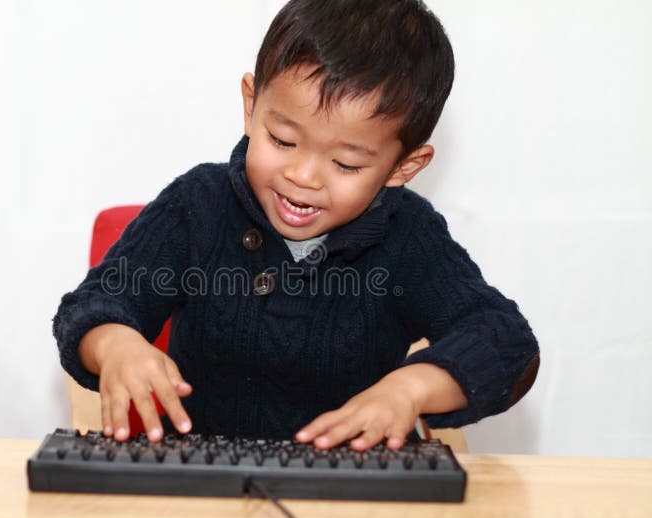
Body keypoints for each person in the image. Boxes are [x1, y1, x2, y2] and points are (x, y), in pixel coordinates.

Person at [53, 0, 540, 452]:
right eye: (283, 140)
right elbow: (94, 305)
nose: (302, 178)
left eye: (346, 164)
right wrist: (116, 343)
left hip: (352, 496)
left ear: (402, 168)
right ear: (251, 106)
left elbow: (505, 340)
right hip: (205, 489)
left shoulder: (407, 234)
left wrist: (410, 389)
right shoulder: (197, 205)